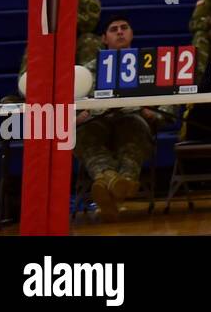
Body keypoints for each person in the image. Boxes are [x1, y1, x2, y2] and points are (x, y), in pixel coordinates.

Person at [74, 15, 178, 222]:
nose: (120, 32)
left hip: (134, 120)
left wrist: (155, 114)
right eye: (114, 29)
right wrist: (77, 117)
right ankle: (118, 183)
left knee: (133, 128)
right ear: (104, 38)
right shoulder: (88, 69)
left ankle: (110, 183)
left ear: (131, 34)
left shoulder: (148, 65)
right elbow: (72, 101)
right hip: (96, 122)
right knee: (86, 133)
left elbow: (170, 100)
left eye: (124, 28)